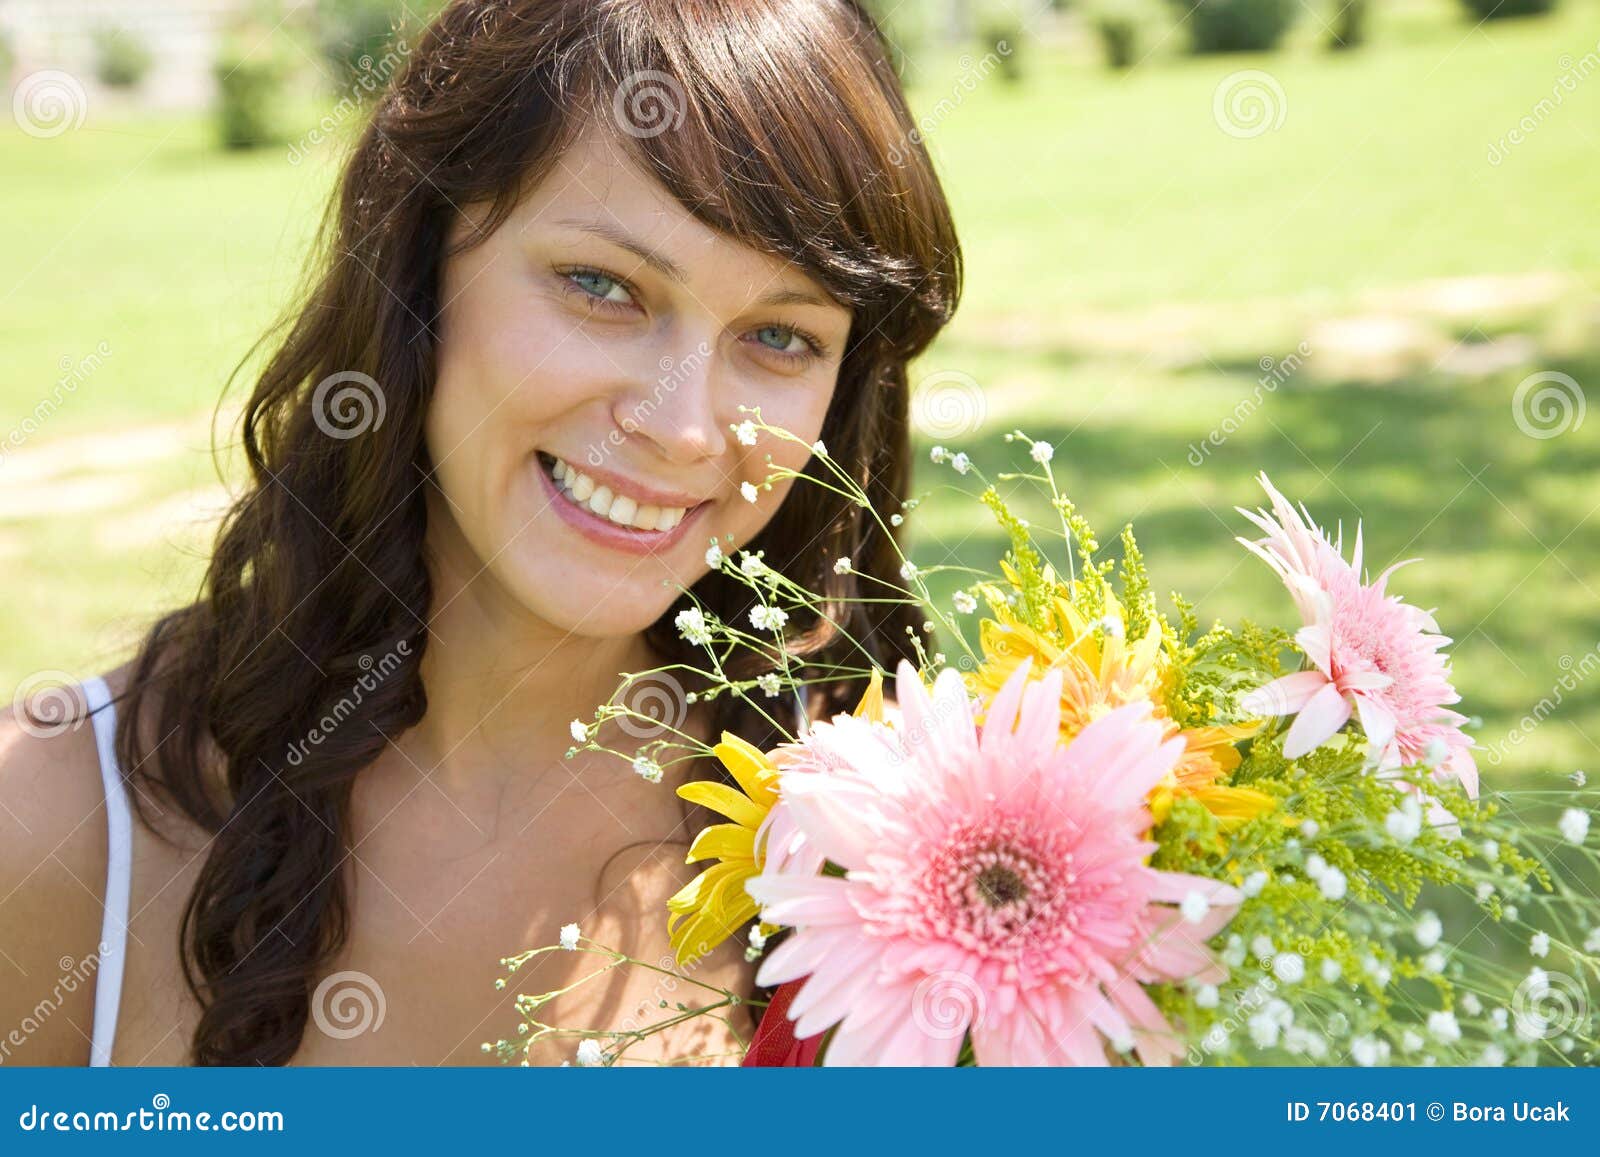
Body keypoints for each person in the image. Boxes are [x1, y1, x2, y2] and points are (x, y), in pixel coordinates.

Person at [0, 0, 960, 1066]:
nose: (684, 428)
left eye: (780, 336)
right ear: (417, 271)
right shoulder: (53, 825)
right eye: (603, 286)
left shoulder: (906, 839)